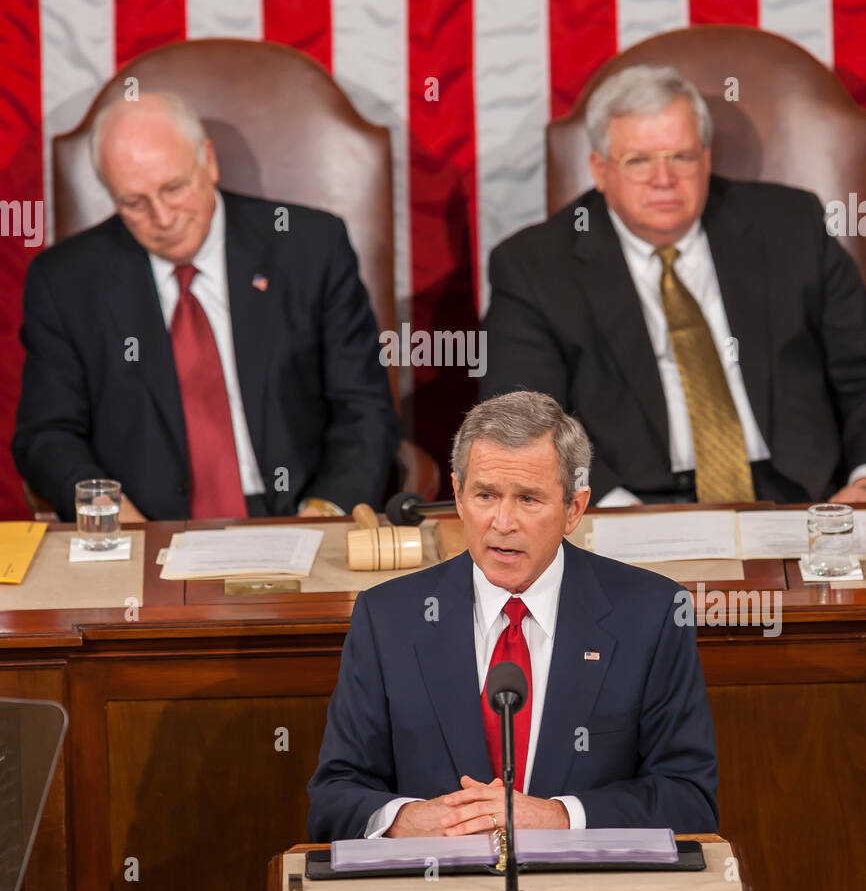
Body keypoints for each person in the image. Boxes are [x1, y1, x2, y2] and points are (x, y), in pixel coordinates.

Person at [307, 391, 718, 841]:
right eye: (486, 495)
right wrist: (409, 820)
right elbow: (334, 799)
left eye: (528, 499)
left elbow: (689, 801)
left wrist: (559, 817)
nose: (503, 522)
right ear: (459, 496)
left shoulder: (651, 614)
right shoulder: (387, 619)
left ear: (574, 509)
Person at [481, 65, 866, 506]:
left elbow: (860, 368)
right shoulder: (534, 266)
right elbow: (525, 415)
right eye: (639, 160)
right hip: (629, 502)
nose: (663, 179)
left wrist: (863, 479)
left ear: (705, 159)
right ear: (600, 169)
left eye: (680, 157)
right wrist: (617, 515)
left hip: (805, 499)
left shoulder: (790, 225)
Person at [13, 92, 400, 521]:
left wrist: (325, 513)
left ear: (209, 162)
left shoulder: (310, 248)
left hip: (294, 514)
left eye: (174, 188)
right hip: (144, 525)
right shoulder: (67, 281)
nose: (162, 218)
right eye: (134, 203)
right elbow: (47, 434)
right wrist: (111, 514)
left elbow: (363, 407)